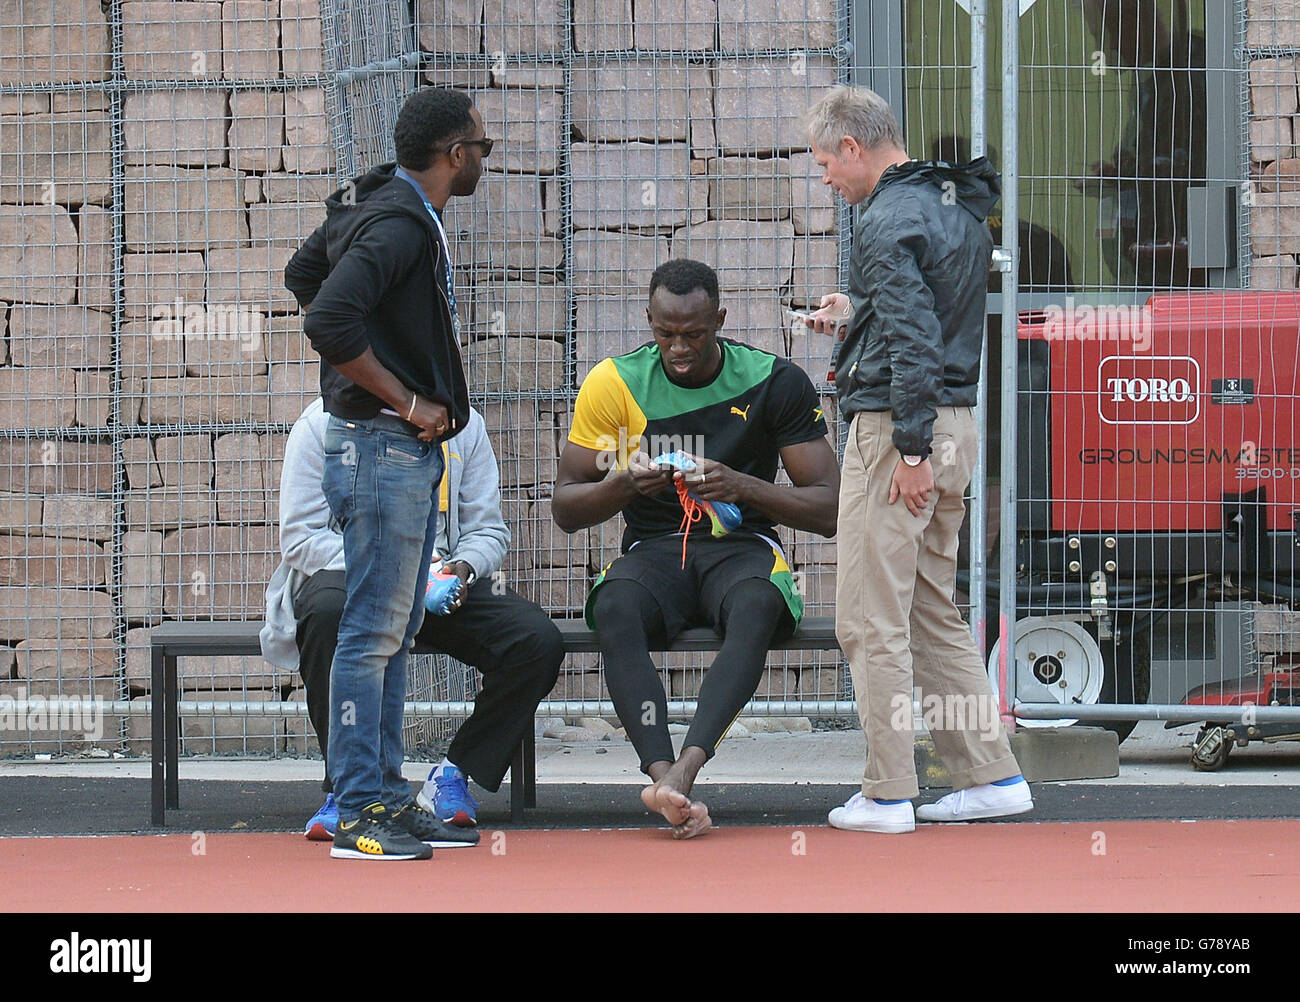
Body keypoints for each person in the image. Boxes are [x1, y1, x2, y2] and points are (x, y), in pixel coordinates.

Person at [802, 84, 1032, 833]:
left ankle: (888, 792)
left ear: (851, 147)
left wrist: (905, 448)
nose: (825, 179)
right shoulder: (951, 203)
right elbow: (927, 314)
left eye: (824, 162)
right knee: (934, 609)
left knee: (870, 618)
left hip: (901, 434)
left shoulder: (881, 218)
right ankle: (991, 776)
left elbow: (915, 340)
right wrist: (851, 312)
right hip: (957, 427)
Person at [553, 258, 840, 839]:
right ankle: (661, 775)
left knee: (758, 605)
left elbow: (830, 508)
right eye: (665, 334)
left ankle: (688, 767)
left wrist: (743, 485)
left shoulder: (774, 381)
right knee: (613, 607)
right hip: (655, 547)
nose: (678, 348)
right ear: (649, 322)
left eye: (694, 334)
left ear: (721, 321)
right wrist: (623, 484)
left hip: (742, 545)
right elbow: (565, 508)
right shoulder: (614, 382)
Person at [282, 87, 486, 860]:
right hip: (383, 448)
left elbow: (305, 274)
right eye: (482, 149)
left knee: (390, 632)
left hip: (378, 447)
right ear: (454, 154)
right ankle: (360, 809)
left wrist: (380, 351)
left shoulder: (374, 204)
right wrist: (401, 396)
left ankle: (387, 798)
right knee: (371, 635)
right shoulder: (398, 222)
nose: (482, 161)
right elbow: (325, 315)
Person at [262, 398, 565, 845]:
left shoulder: (464, 425)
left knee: (535, 641)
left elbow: (488, 529)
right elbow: (301, 539)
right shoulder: (320, 424)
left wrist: (462, 566)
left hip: (439, 577)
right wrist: (398, 562)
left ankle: (454, 774)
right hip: (350, 574)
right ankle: (349, 790)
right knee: (327, 616)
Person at [1080, 0, 1207, 288]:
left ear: (1131, 26)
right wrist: (1127, 169)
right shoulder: (1154, 81)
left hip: (1177, 241)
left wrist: (1136, 171)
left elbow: (1195, 160)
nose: (1107, 48)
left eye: (1107, 33)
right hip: (1160, 239)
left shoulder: (1186, 73)